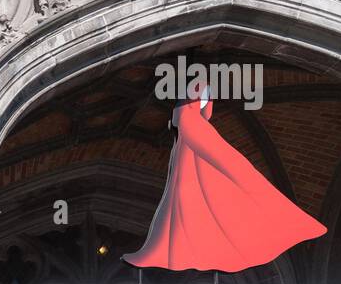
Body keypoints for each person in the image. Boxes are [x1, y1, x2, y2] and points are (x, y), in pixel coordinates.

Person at [123, 81, 327, 272]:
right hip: (197, 180)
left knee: (195, 221)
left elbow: (216, 152)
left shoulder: (190, 123)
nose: (204, 102)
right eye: (201, 98)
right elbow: (218, 153)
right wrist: (245, 175)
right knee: (191, 221)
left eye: (206, 98)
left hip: (200, 181)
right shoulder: (191, 121)